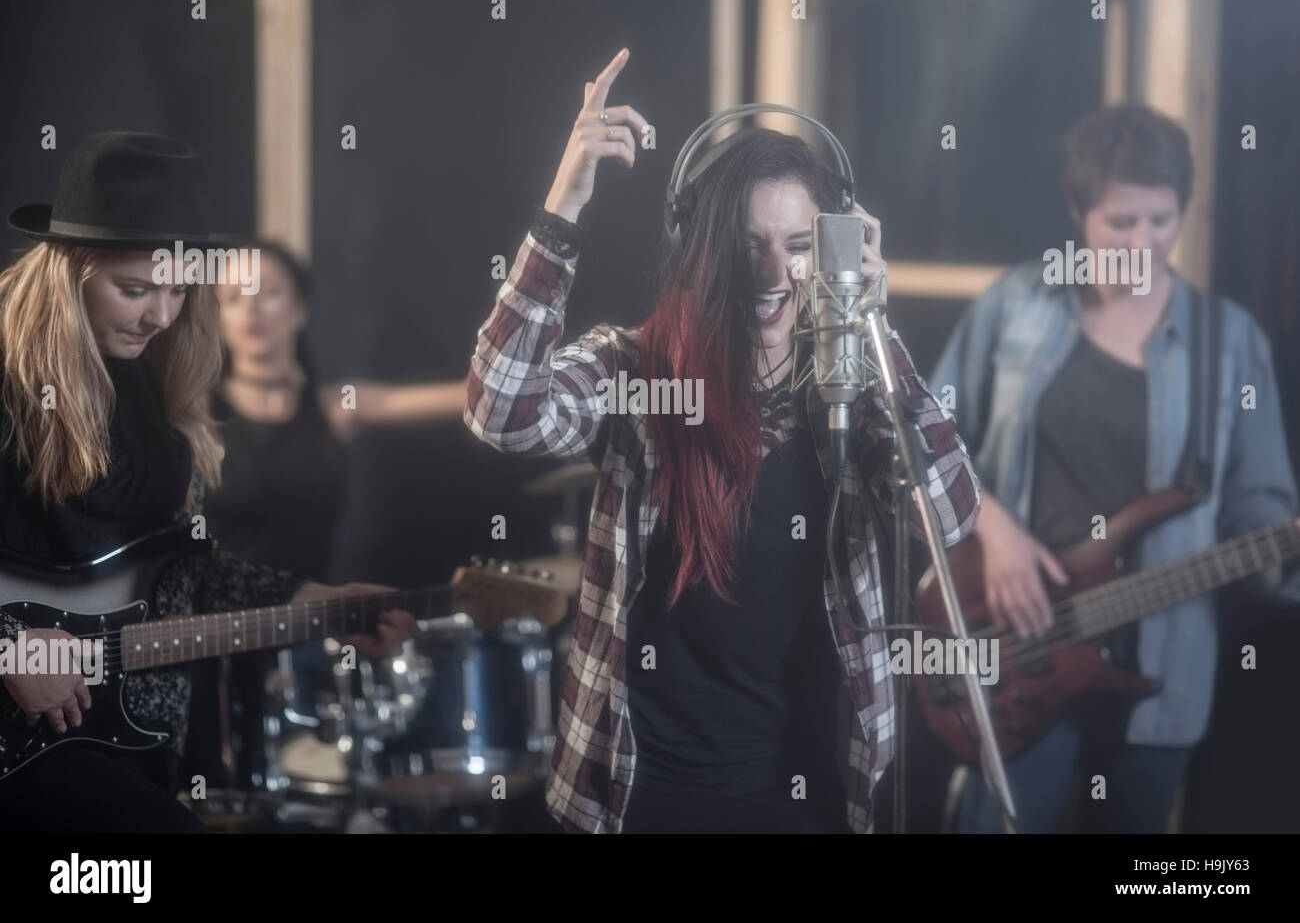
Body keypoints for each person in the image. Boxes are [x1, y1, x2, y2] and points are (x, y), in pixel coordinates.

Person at [465, 49, 979, 833]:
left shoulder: (848, 392)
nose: (776, 273)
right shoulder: (634, 367)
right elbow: (502, 411)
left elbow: (949, 518)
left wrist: (873, 325)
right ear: (704, 251)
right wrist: (562, 206)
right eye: (748, 245)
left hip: (808, 789)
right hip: (645, 790)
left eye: (802, 245)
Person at [0, 131, 414, 832]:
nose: (160, 315)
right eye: (133, 290)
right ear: (70, 270)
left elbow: (176, 573)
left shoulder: (144, 385)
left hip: (129, 733)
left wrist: (320, 600)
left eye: (177, 290)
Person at [930, 104, 1300, 833]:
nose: (1143, 244)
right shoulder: (1014, 306)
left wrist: (1274, 554)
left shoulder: (1228, 341)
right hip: (1014, 652)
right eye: (1120, 223)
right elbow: (923, 442)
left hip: (1160, 679)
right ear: (1078, 210)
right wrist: (993, 526)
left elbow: (1260, 507)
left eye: (1161, 221)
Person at [185, 240, 466, 790]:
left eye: (269, 292)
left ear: (300, 307)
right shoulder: (192, 414)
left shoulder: (338, 406)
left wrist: (580, 380)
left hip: (308, 642)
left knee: (319, 797)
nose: (252, 309)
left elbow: (469, 396)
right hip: (210, 644)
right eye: (233, 297)